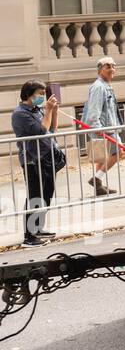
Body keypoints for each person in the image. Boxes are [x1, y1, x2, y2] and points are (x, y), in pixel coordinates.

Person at [11, 80, 66, 246]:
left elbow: (51, 130)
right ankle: (29, 235)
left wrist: (53, 111)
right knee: (35, 195)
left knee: (47, 193)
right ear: (28, 94)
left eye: (44, 94)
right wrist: (48, 110)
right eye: (40, 94)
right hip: (32, 160)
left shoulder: (38, 110)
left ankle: (38, 227)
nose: (43, 97)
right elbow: (41, 132)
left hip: (47, 157)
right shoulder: (20, 113)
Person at [83, 56, 122, 196]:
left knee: (102, 157)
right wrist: (98, 128)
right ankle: (97, 178)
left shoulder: (106, 86)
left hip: (110, 127)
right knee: (118, 153)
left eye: (113, 66)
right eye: (108, 66)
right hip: (104, 128)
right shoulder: (98, 87)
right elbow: (93, 111)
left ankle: (98, 186)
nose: (112, 69)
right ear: (100, 70)